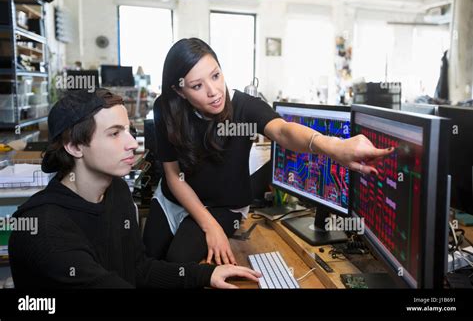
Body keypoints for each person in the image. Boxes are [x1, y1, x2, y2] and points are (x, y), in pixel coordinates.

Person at [143, 38, 393, 265]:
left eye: (216, 75)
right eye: (197, 85)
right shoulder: (166, 109)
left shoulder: (244, 107)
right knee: (146, 258)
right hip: (174, 198)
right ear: (179, 90)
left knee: (177, 260)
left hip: (224, 207)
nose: (214, 91)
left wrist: (333, 146)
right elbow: (174, 175)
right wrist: (209, 226)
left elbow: (283, 131)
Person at [8, 88, 260, 289]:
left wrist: (206, 275)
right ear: (74, 146)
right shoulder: (43, 230)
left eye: (129, 131)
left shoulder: (115, 191)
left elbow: (138, 269)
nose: (132, 144)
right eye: (115, 134)